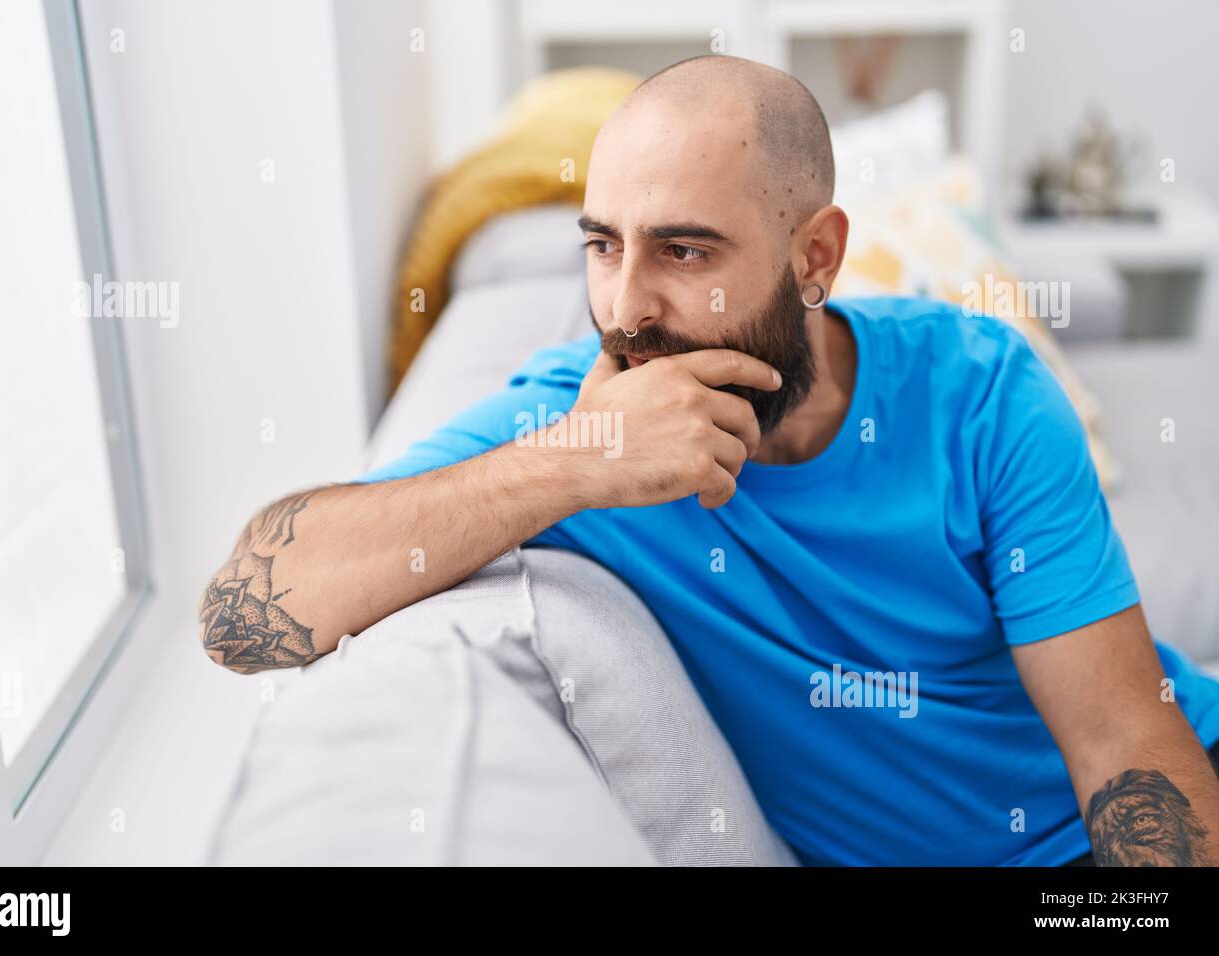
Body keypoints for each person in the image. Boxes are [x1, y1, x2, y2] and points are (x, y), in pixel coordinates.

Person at [199, 55, 1219, 866]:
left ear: (814, 256)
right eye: (603, 246)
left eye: (684, 252)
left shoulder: (982, 392)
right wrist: (574, 463)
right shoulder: (573, 418)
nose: (627, 305)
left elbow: (1126, 742)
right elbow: (242, 611)